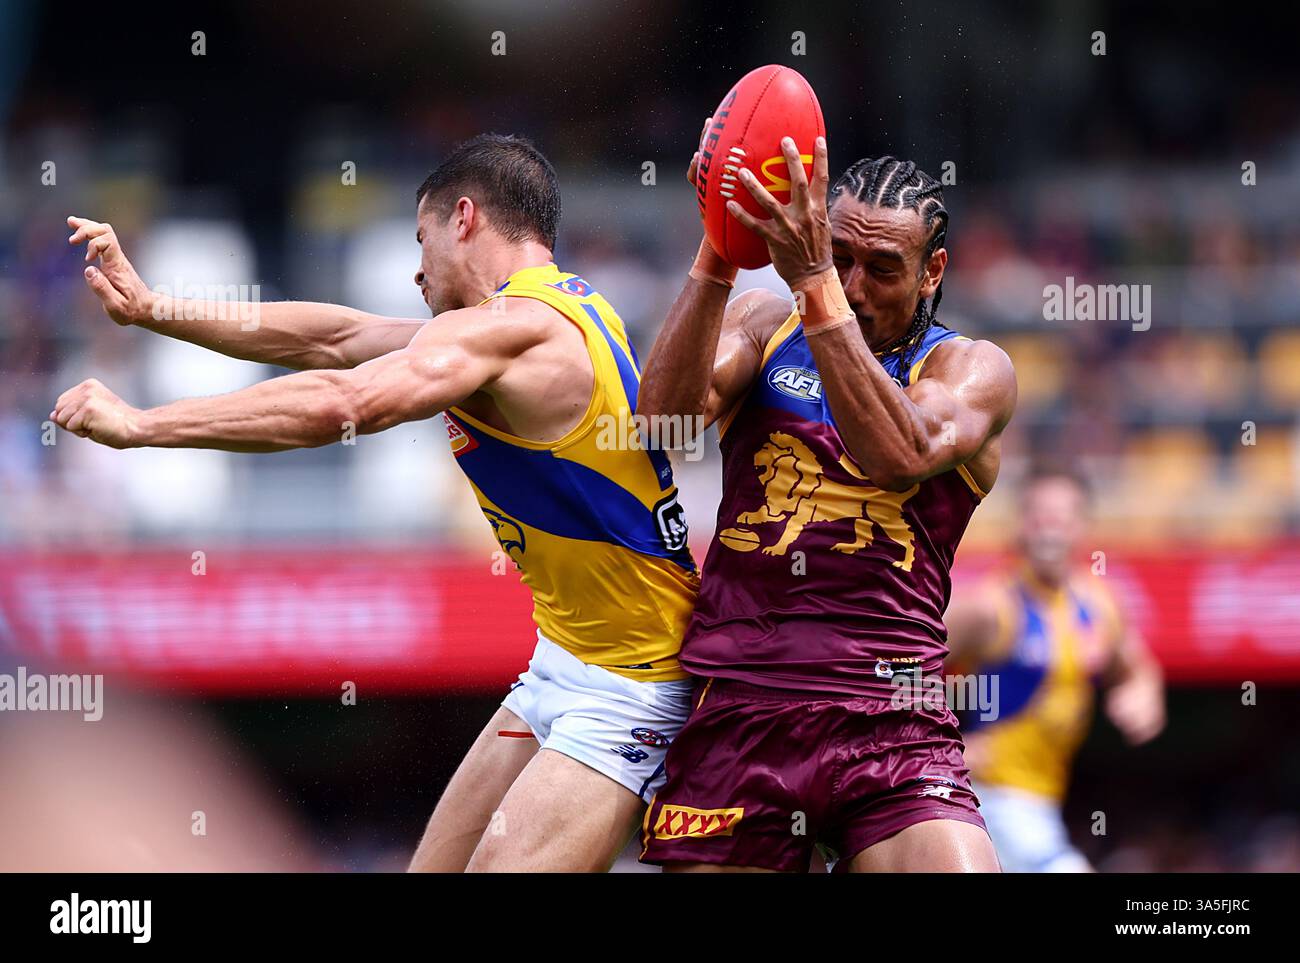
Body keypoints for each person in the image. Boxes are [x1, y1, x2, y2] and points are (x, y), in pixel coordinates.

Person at [52, 134, 700, 872]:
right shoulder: (555, 310)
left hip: (635, 680)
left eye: (421, 239)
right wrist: (153, 309)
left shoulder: (518, 330)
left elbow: (343, 401)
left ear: (464, 218)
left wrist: (143, 425)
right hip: (570, 657)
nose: (417, 269)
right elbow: (339, 338)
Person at [635, 132, 1016, 872]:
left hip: (895, 716)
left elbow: (899, 453)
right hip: (742, 703)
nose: (854, 284)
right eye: (839, 255)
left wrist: (814, 283)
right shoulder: (761, 322)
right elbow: (659, 425)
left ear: (934, 270)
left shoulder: (972, 368)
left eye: (882, 267)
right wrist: (718, 247)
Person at [945, 463, 1165, 872]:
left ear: (1082, 526)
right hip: (987, 797)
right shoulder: (990, 607)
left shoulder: (1099, 604)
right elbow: (901, 672)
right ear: (1021, 525)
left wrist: (1142, 694)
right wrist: (946, 747)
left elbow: (1136, 667)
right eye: (1040, 517)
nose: (1050, 529)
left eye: (1062, 518)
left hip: (1042, 801)